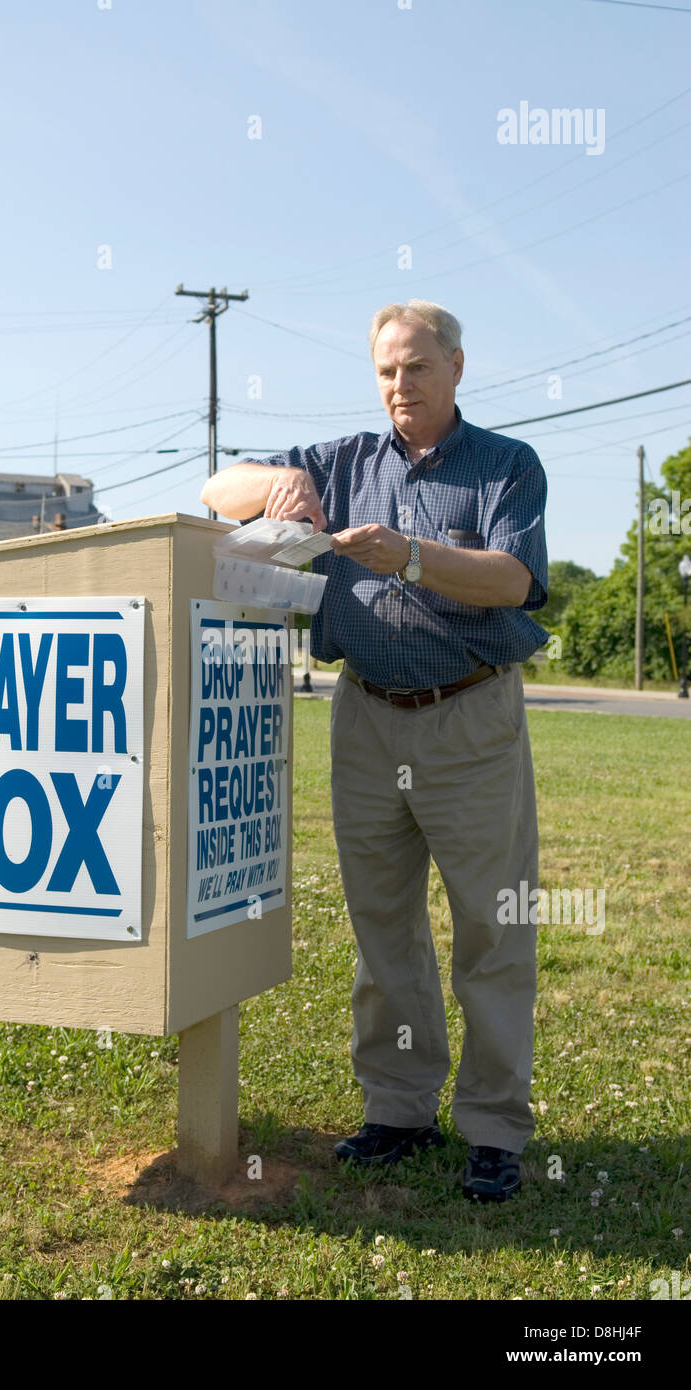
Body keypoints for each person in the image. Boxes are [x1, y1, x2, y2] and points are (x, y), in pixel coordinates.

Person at [201, 300, 548, 1202]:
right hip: (364, 718)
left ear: (458, 368)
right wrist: (281, 486)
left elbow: (513, 580)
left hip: (470, 719)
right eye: (388, 371)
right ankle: (398, 1109)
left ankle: (495, 1128)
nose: (402, 385)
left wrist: (411, 557)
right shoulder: (342, 462)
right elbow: (214, 492)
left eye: (419, 368)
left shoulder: (505, 467)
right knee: (382, 927)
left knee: (492, 927)